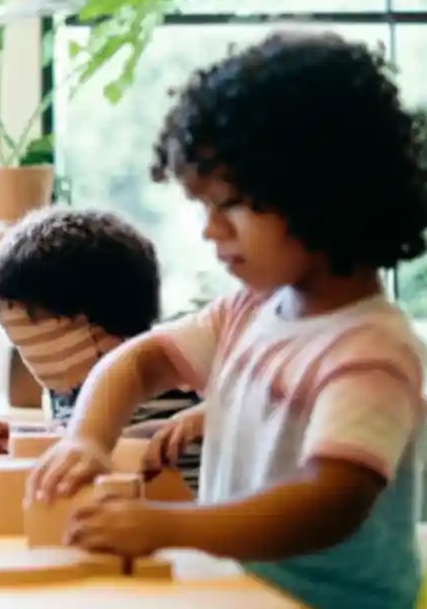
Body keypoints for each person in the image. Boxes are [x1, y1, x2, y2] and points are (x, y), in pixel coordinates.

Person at [27, 32, 427, 609]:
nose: (211, 230)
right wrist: (88, 438)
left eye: (230, 204)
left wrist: (170, 526)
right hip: (240, 589)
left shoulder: (370, 351)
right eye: (204, 207)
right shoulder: (252, 307)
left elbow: (331, 499)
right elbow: (142, 360)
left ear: (324, 194)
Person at [0, 207, 203, 493]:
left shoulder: (173, 383)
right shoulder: (66, 393)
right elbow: (74, 452)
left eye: (32, 340)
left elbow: (126, 453)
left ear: (100, 331)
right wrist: (26, 443)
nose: (30, 360)